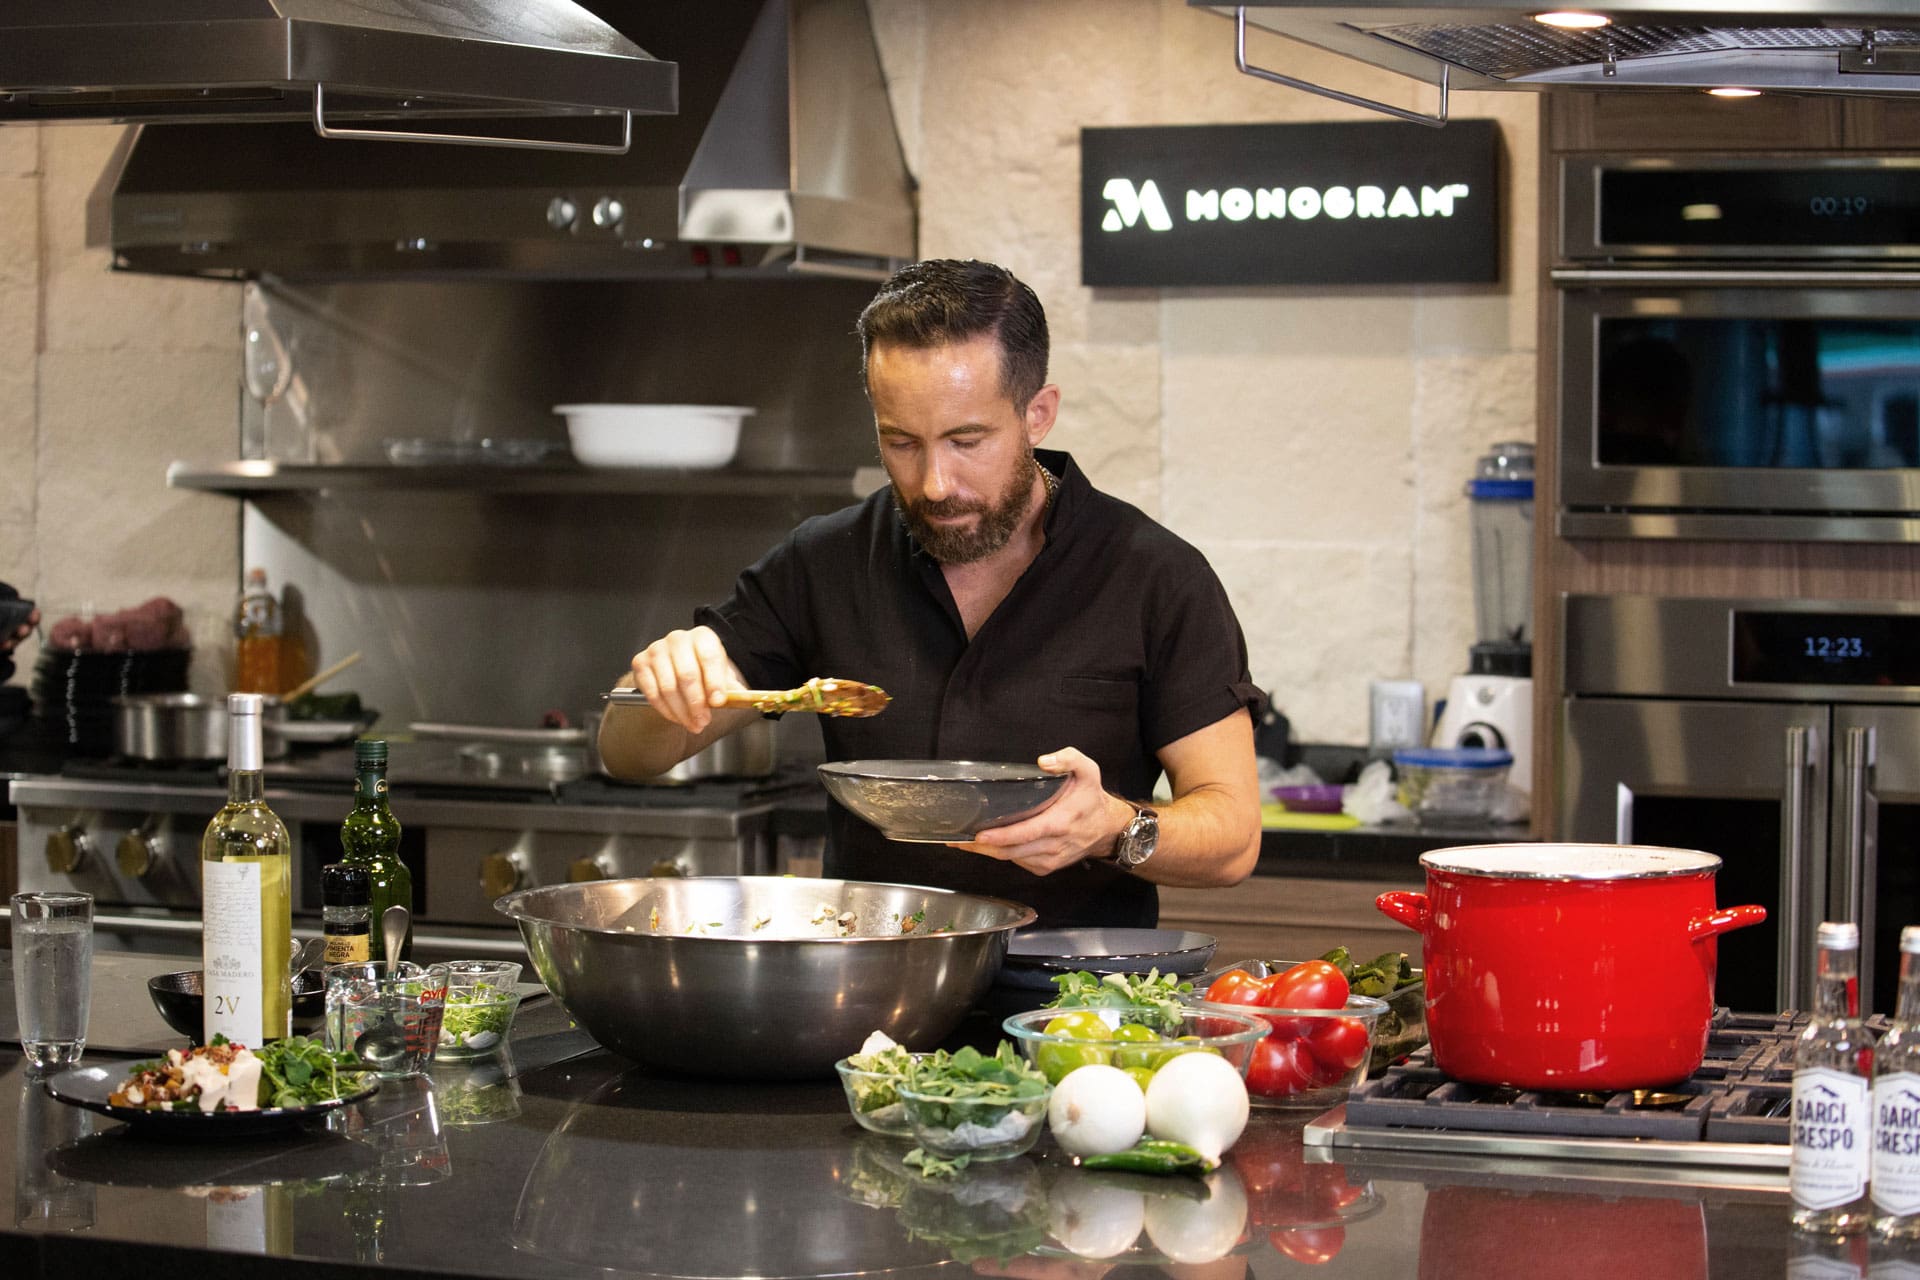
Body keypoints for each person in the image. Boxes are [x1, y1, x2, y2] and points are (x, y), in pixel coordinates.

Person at [598, 259, 1263, 928]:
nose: (935, 482)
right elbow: (629, 755)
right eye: (902, 443)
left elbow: (1233, 837)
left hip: (1072, 1009)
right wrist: (662, 685)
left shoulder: (1154, 575)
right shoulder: (823, 562)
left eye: (966, 440)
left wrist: (1112, 828)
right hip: (869, 1003)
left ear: (1038, 414)